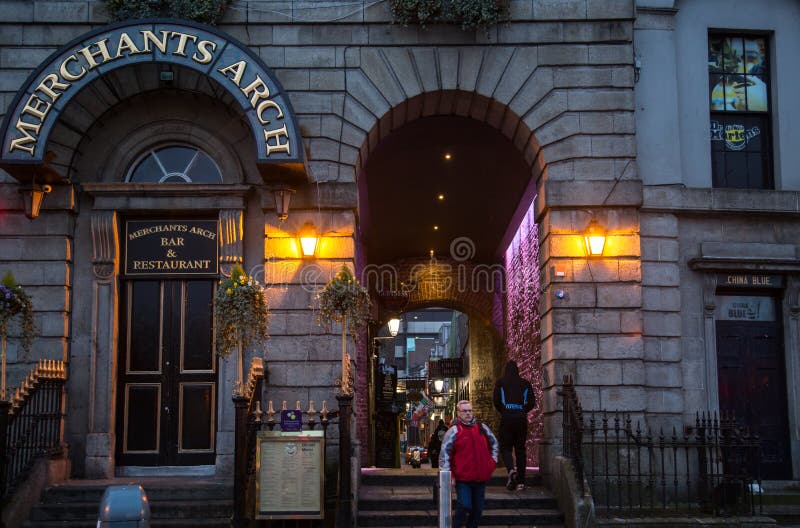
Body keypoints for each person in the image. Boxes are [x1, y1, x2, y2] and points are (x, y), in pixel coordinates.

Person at [440, 400, 498, 528]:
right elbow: (444, 454)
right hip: (462, 479)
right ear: (458, 413)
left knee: (478, 510)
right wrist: (448, 475)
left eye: (470, 411)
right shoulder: (454, 431)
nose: (468, 413)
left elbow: (494, 443)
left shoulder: (482, 428)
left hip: (480, 478)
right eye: (464, 411)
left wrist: (492, 462)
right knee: (465, 505)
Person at [493, 360, 535, 491]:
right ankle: (521, 482)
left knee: (505, 447)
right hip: (521, 419)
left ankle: (511, 470)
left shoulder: (500, 383)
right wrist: (522, 410)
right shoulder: (525, 384)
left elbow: (496, 401)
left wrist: (505, 410)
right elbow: (532, 402)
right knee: (520, 450)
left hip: (507, 418)